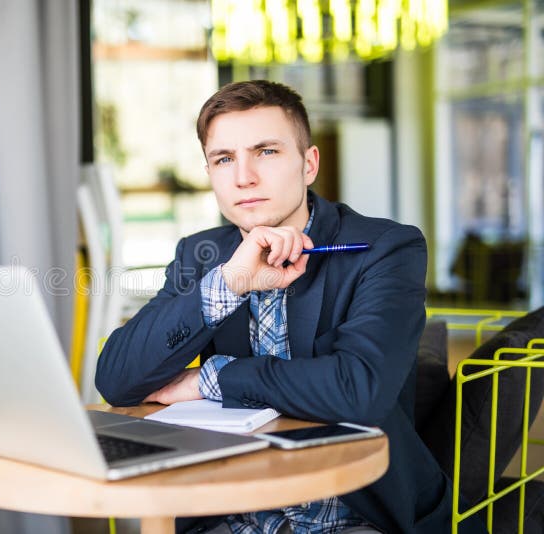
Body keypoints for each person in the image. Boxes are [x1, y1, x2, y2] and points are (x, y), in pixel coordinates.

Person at [94, 80, 487, 534]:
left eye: (266, 152)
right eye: (224, 159)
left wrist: (212, 378)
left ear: (309, 164)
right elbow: (116, 379)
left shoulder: (385, 248)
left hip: (356, 515)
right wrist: (230, 282)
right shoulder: (200, 254)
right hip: (230, 515)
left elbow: (358, 390)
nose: (243, 177)